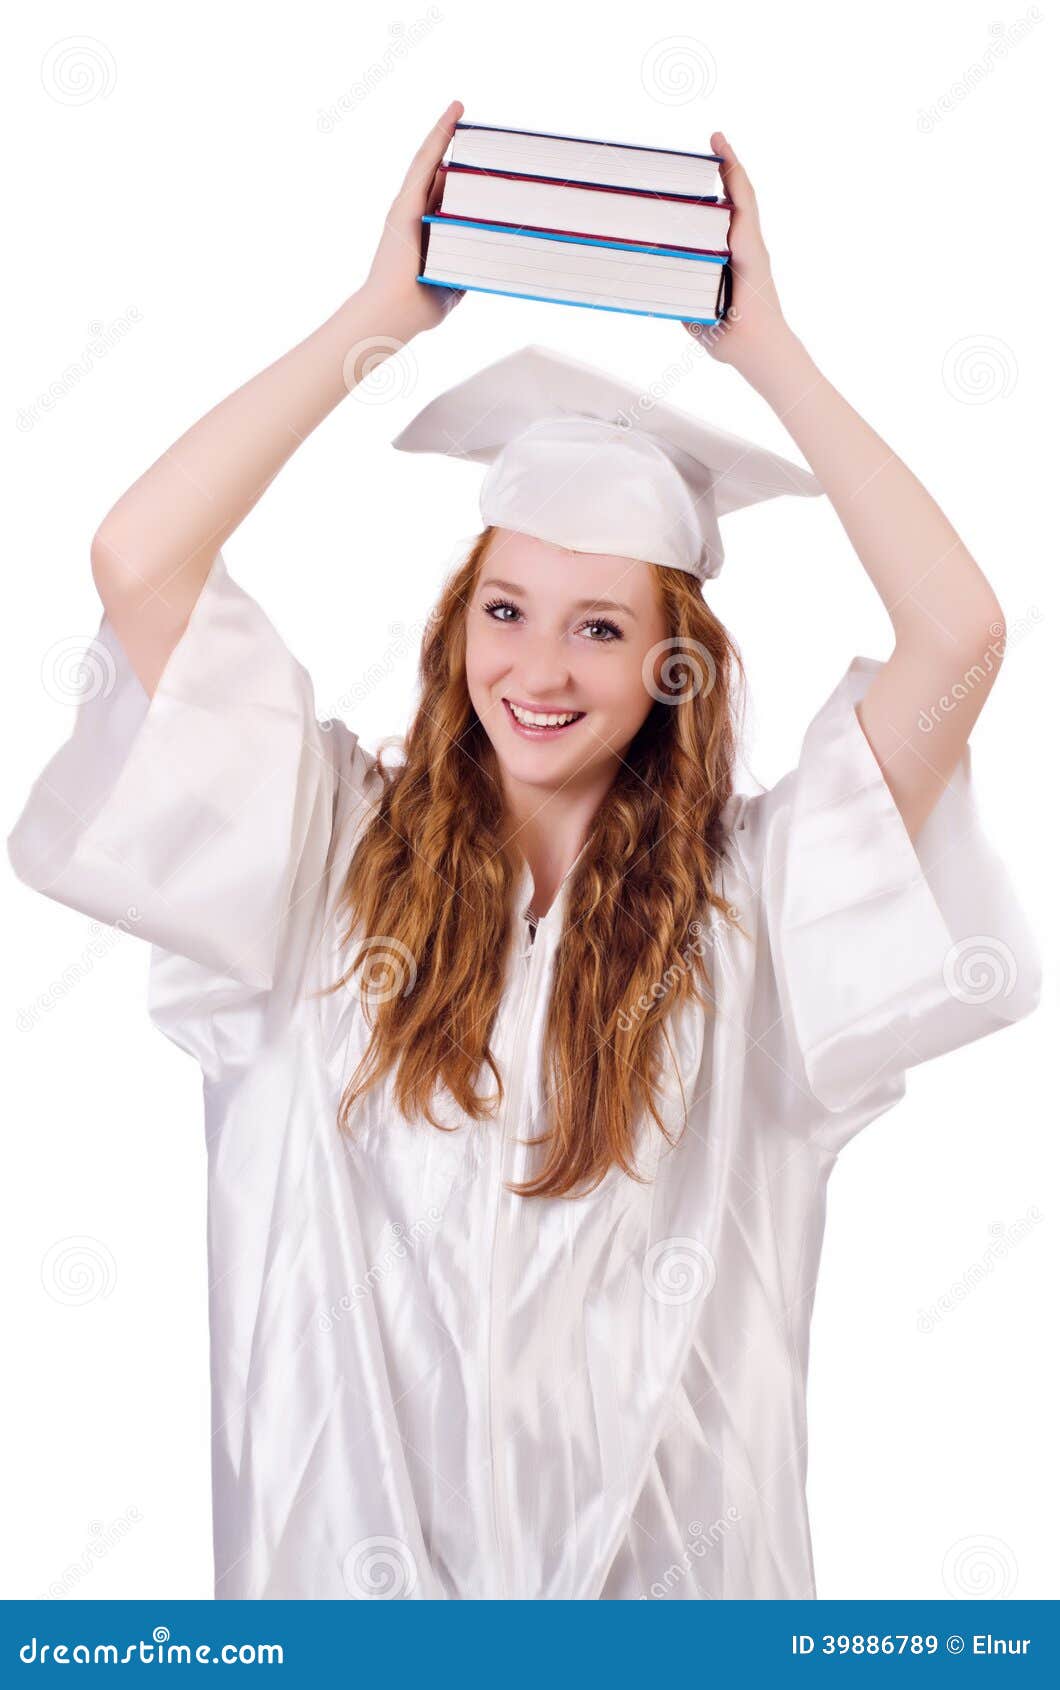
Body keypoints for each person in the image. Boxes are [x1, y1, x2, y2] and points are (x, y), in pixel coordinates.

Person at [8, 102, 1041, 1600]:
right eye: (506, 609)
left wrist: (765, 354)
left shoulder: (757, 910)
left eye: (601, 626)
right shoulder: (319, 852)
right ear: (455, 629)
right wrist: (379, 320)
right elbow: (135, 557)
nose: (538, 667)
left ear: (670, 668)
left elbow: (961, 637)